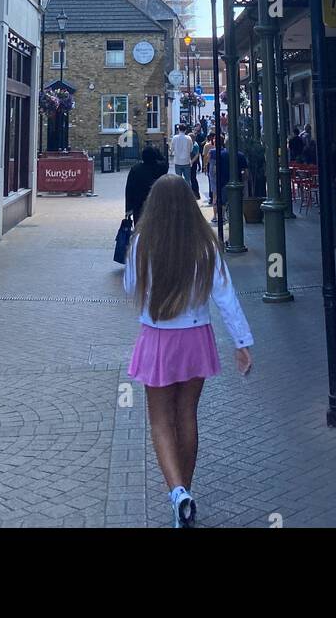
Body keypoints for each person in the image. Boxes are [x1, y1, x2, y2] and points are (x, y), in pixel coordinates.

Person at [124, 175, 253, 527]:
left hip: (157, 337)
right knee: (187, 416)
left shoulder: (141, 244)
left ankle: (177, 492)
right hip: (196, 336)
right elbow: (225, 296)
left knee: (160, 421)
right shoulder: (204, 244)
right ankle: (186, 492)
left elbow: (130, 285)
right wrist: (242, 342)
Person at [125, 143, 169, 225]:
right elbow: (165, 162)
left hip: (139, 203)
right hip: (156, 201)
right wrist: (157, 152)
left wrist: (128, 208)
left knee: (139, 226)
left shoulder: (136, 169)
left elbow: (129, 189)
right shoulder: (160, 168)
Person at [201, 133, 216, 206]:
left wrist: (204, 166)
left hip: (210, 164)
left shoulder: (207, 146)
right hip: (216, 163)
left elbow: (204, 157)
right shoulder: (216, 145)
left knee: (211, 181)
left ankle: (212, 196)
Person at [188, 129, 202, 198]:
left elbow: (196, 155)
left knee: (193, 178)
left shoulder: (195, 145)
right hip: (191, 163)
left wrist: (191, 162)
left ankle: (196, 193)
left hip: (193, 163)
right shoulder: (192, 144)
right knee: (191, 178)